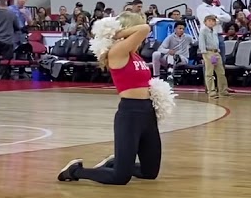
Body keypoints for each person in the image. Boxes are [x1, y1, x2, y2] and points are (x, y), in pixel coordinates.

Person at [58, 12, 177, 185]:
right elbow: (145, 28)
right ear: (128, 31)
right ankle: (75, 170)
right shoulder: (117, 52)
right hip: (130, 114)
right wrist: (116, 34)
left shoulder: (134, 54)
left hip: (148, 112)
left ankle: (115, 163)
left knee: (149, 172)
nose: (143, 38)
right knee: (120, 178)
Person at [199, 14, 229, 98]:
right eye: (209, 21)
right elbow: (201, 42)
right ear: (205, 22)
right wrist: (204, 52)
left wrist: (218, 50)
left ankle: (223, 90)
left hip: (216, 52)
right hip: (208, 52)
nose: (211, 22)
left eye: (213, 21)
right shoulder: (203, 31)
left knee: (221, 72)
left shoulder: (215, 31)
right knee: (209, 73)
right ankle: (211, 91)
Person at [0, 0, 19, 79]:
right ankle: (5, 78)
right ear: (6, 4)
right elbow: (18, 26)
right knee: (7, 62)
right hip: (8, 41)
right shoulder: (12, 14)